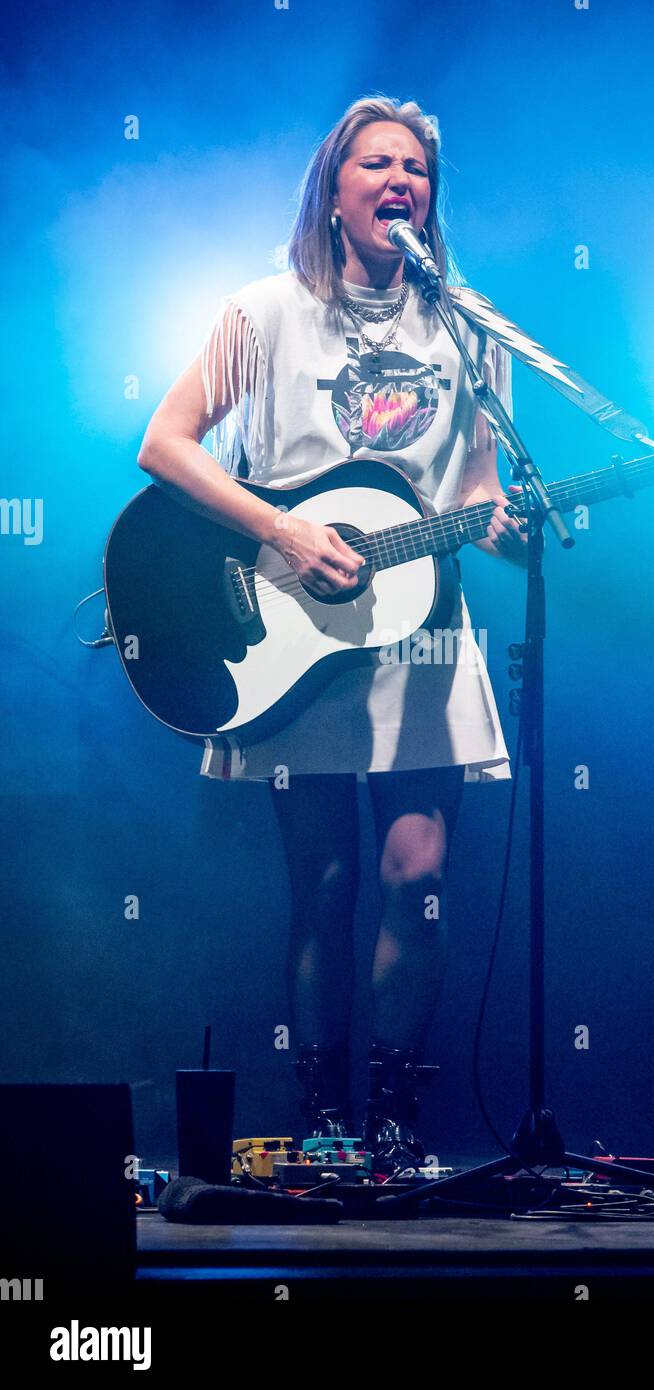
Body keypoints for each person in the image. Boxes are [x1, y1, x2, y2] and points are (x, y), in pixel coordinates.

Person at [137, 95, 528, 1174]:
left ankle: (394, 1125)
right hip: (290, 636)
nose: (398, 180)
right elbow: (164, 444)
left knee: (418, 874)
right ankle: (322, 1127)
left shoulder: (467, 328)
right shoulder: (262, 313)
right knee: (322, 884)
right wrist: (280, 527)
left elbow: (481, 494)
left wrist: (515, 534)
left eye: (415, 168)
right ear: (334, 187)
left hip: (421, 636)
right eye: (375, 163)